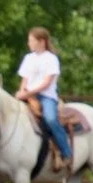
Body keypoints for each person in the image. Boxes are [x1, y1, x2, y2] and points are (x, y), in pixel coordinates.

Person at [15, 27, 73, 173]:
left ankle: (66, 152)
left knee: (51, 119)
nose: (29, 43)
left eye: (31, 40)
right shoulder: (29, 58)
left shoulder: (51, 59)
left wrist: (28, 93)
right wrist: (22, 91)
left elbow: (47, 83)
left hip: (46, 96)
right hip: (29, 95)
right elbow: (25, 79)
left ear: (41, 41)